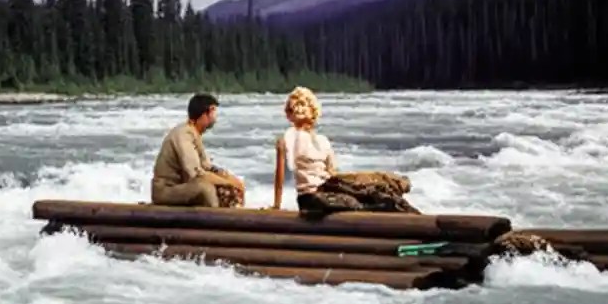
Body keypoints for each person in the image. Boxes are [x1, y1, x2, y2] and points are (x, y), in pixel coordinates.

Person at [272, 86, 419, 215]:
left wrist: (276, 206)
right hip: (324, 194)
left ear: (290, 113)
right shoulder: (323, 141)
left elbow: (280, 177)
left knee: (363, 204)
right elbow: (332, 173)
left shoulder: (286, 139)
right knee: (373, 198)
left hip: (310, 198)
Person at [151, 93, 245, 207]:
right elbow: (196, 174)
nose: (216, 118)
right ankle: (215, 221)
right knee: (205, 187)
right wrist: (229, 183)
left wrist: (230, 178)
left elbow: (207, 166)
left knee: (232, 186)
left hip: (183, 186)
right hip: (166, 190)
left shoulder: (195, 133)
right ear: (207, 112)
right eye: (214, 112)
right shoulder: (183, 134)